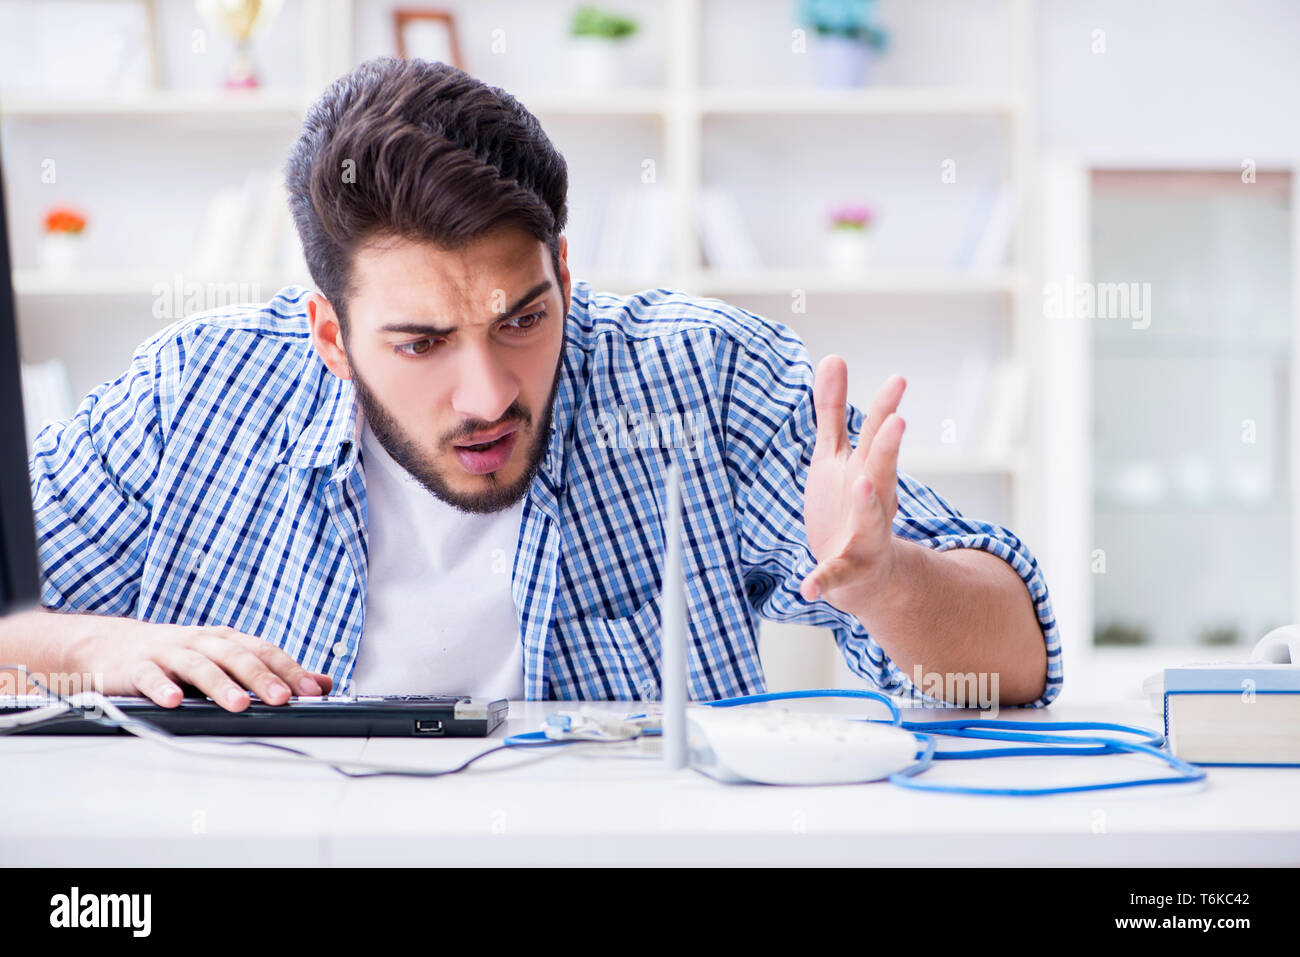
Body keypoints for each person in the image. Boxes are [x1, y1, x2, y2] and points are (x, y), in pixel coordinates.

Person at [1, 57, 1061, 712]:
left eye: (522, 319)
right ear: (330, 332)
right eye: (419, 342)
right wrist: (95, 645)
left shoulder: (699, 376)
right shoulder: (197, 391)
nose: (485, 395)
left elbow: (1015, 665)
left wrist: (882, 582)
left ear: (563, 271)